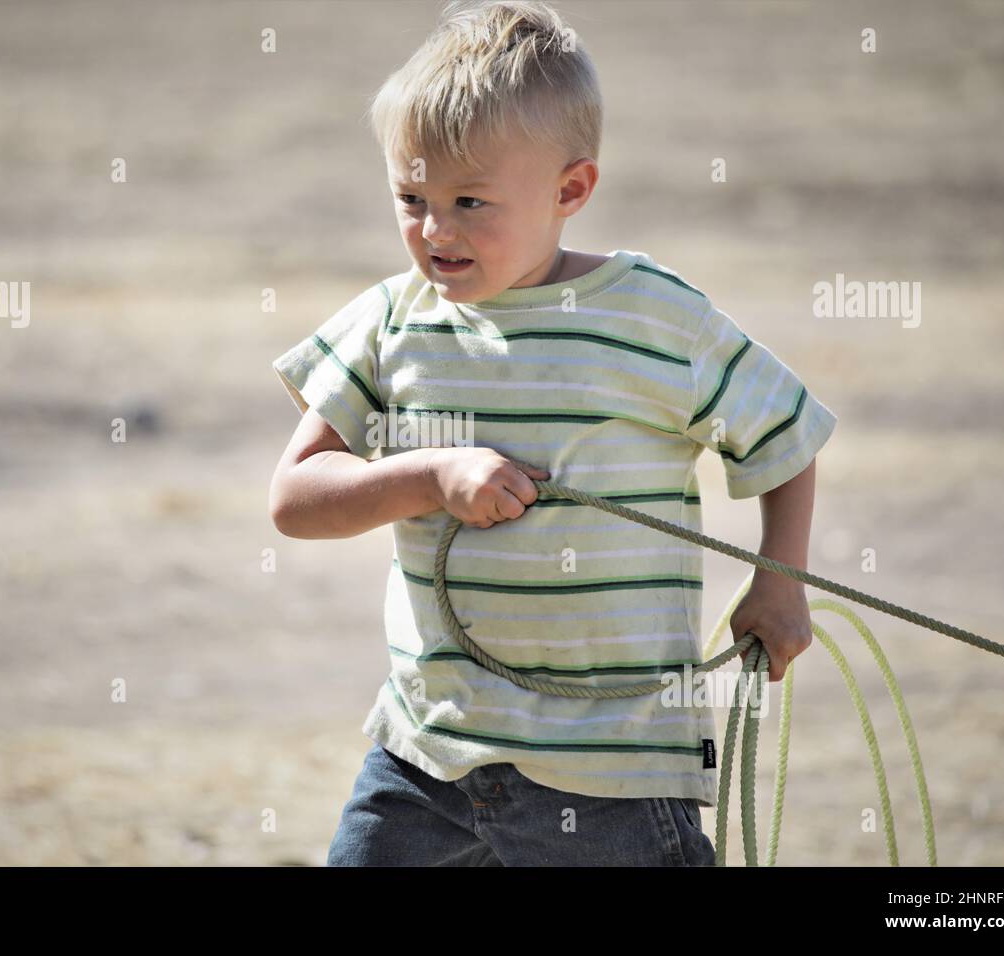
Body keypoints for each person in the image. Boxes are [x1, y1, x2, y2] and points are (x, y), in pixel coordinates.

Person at [268, 0, 835, 866]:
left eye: (469, 201)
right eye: (411, 198)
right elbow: (296, 499)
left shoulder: (651, 317)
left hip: (615, 776)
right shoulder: (389, 321)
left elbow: (786, 436)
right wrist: (428, 477)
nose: (435, 231)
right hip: (426, 760)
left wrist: (779, 582)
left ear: (571, 190)